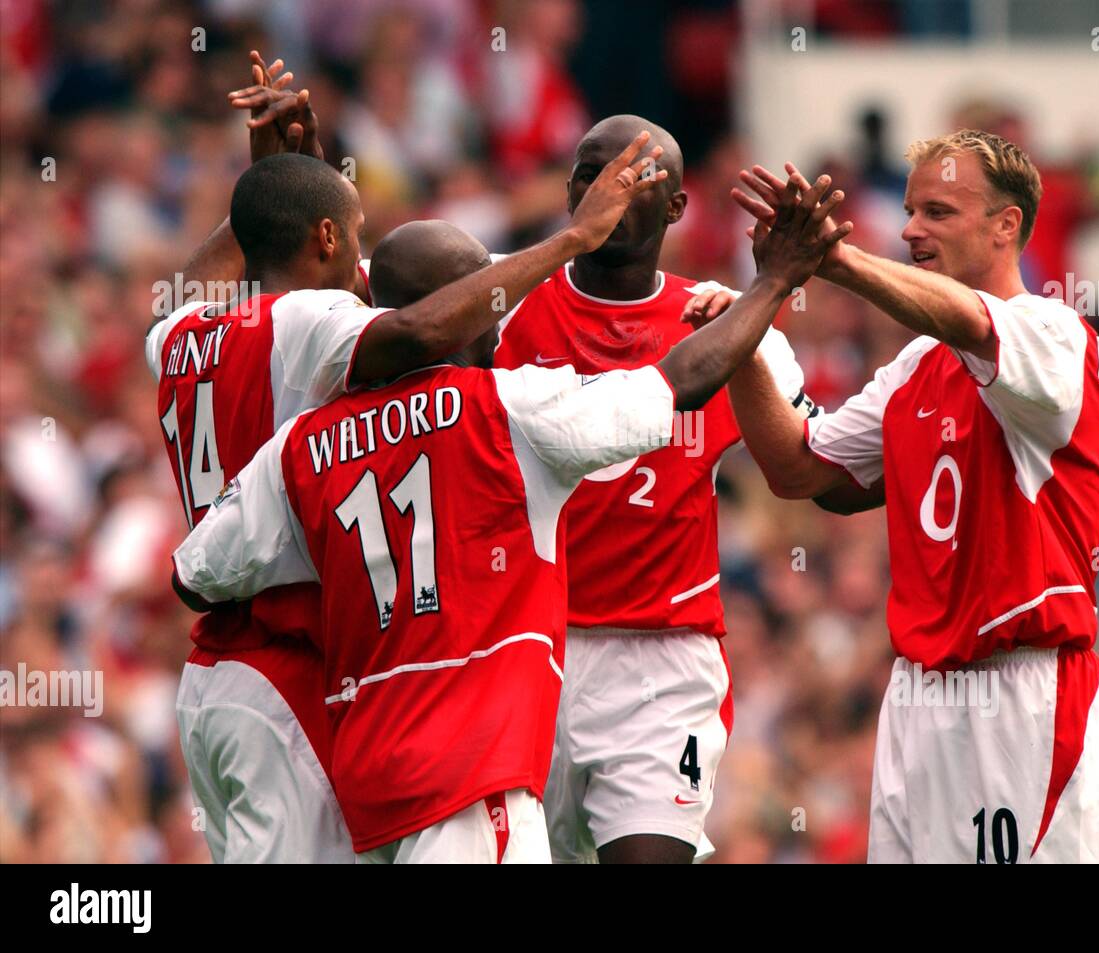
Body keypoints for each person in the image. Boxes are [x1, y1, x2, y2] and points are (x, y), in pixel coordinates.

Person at [169, 181, 852, 862]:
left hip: (367, 779)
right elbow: (678, 380)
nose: (502, 322)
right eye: (487, 302)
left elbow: (195, 576)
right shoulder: (508, 410)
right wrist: (775, 282)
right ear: (462, 315)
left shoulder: (298, 447)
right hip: (473, 777)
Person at [150, 53, 669, 862]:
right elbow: (423, 326)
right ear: (327, 239)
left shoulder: (179, 334)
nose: (362, 264)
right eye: (353, 237)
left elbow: (218, 271)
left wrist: (283, 176)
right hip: (287, 669)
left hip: (213, 680)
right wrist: (572, 239)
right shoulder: (310, 322)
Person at [719, 129, 1099, 862]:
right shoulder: (915, 366)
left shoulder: (1056, 333)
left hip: (1023, 689)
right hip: (917, 696)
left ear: (1008, 225)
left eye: (938, 211)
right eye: (908, 210)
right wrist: (745, 325)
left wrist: (834, 260)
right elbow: (800, 471)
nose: (909, 229)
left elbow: (969, 319)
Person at [492, 114, 817, 863]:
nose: (605, 186)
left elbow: (807, 466)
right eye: (588, 172)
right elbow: (370, 307)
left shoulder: (733, 325)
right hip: (521, 647)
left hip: (660, 666)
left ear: (675, 207)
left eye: (634, 175)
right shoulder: (502, 299)